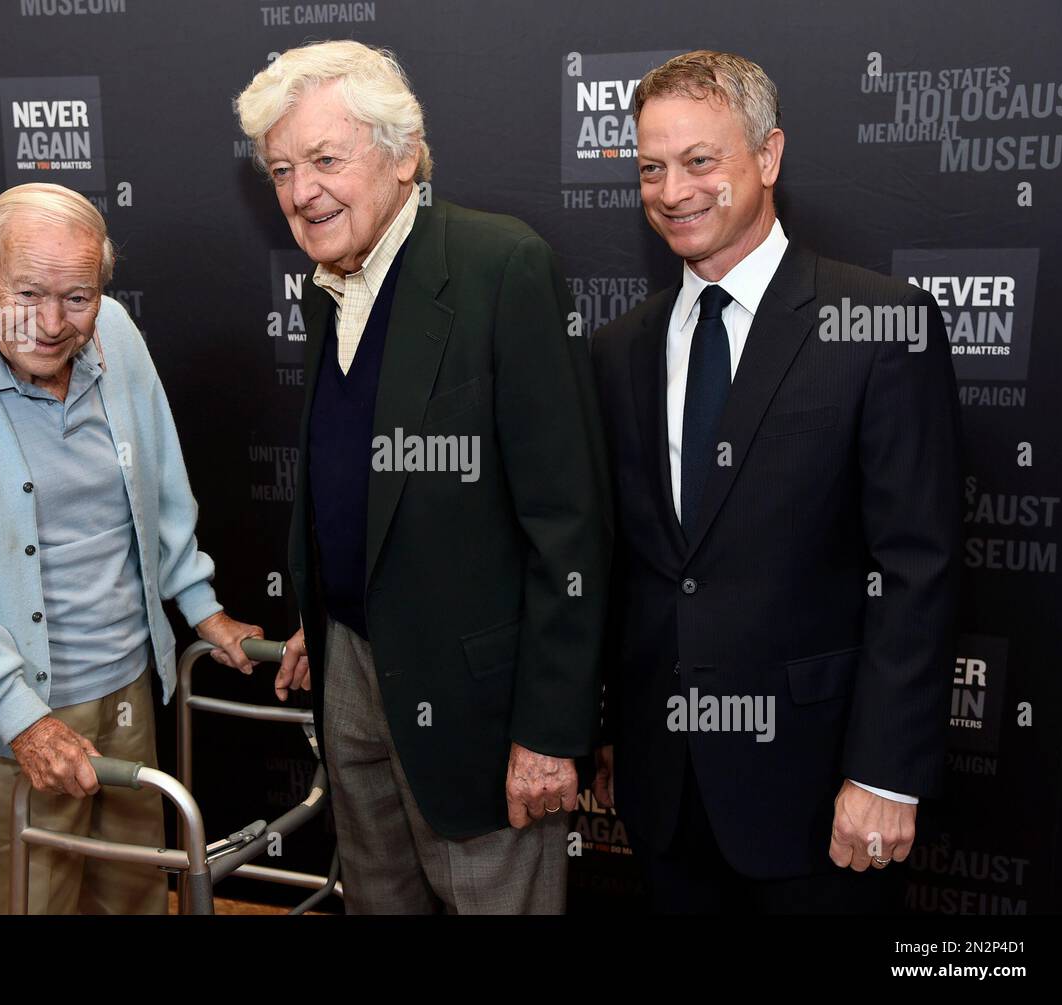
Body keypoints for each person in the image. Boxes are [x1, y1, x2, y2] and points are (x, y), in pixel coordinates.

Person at [233, 40, 612, 913]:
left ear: (403, 155)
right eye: (282, 170)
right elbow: (350, 482)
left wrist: (550, 730)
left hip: (480, 701)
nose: (301, 192)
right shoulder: (326, 286)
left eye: (326, 160)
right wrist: (322, 613)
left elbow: (569, 522)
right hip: (350, 670)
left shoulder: (500, 267)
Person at [590, 50, 961, 913]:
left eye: (699, 161)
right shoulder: (618, 349)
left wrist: (886, 773)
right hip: (663, 788)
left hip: (820, 792)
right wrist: (608, 730)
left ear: (768, 156)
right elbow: (634, 568)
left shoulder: (878, 323)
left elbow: (918, 566)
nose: (672, 191)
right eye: (650, 168)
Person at [0, 183, 262, 913]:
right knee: (20, 902)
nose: (53, 325)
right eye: (27, 294)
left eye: (78, 297)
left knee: (132, 894)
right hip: (5, 713)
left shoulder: (114, 330)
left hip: (124, 686)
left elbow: (158, 481)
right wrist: (20, 717)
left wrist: (202, 608)